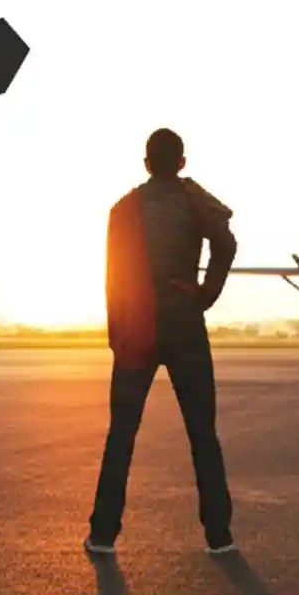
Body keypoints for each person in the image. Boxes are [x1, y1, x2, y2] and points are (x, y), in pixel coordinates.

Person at [84, 127, 239, 555]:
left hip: (137, 326)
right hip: (184, 323)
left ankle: (103, 533)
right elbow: (226, 243)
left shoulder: (123, 209)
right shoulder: (194, 199)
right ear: (182, 162)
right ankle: (218, 535)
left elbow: (112, 279)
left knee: (122, 433)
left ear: (146, 163)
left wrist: (119, 335)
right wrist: (206, 293)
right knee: (202, 433)